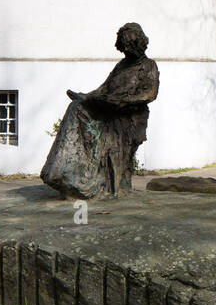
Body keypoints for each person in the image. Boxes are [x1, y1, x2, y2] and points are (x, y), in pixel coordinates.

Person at [41, 23, 160, 198]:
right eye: (124, 49)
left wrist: (118, 101)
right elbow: (104, 88)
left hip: (129, 117)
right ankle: (65, 174)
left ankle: (99, 183)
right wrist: (88, 97)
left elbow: (149, 94)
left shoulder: (149, 66)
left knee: (104, 134)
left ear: (139, 44)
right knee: (77, 107)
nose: (126, 52)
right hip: (108, 111)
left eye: (130, 48)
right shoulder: (121, 66)